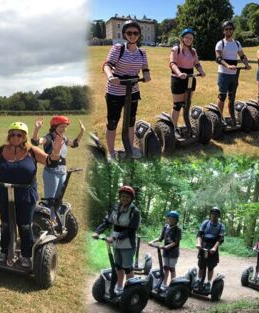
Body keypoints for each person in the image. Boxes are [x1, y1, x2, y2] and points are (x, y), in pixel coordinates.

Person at [0, 121, 53, 267]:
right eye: (12, 134)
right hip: (4, 193)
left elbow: (50, 161)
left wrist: (56, 151)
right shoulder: (2, 149)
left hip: (26, 194)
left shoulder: (32, 151)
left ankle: (26, 255)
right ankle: (4, 251)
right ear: (9, 136)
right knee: (6, 223)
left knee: (25, 226)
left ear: (24, 136)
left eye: (19, 135)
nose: (15, 137)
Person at [101, 20, 151, 159]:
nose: (132, 35)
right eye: (129, 33)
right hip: (115, 90)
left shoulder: (142, 52)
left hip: (133, 89)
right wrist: (110, 76)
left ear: (139, 35)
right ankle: (111, 153)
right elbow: (107, 65)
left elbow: (145, 68)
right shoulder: (118, 48)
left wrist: (146, 74)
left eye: (135, 33)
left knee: (130, 121)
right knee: (112, 122)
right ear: (124, 34)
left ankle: (129, 147)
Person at [92, 185, 141, 295]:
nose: (125, 198)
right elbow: (107, 222)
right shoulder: (115, 208)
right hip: (115, 240)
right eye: (123, 196)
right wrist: (98, 232)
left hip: (128, 242)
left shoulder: (135, 211)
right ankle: (119, 286)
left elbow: (131, 230)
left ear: (131, 198)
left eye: (127, 197)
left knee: (127, 267)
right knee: (118, 265)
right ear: (120, 197)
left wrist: (114, 237)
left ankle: (130, 290)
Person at [32, 115, 85, 205]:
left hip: (62, 173)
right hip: (51, 173)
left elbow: (75, 144)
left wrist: (82, 132)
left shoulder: (63, 138)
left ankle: (54, 218)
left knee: (58, 201)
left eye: (65, 127)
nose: (64, 129)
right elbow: (36, 141)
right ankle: (47, 218)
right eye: (61, 127)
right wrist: (37, 129)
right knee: (49, 201)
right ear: (54, 127)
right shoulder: (49, 138)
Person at [214, 20, 252, 125]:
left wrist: (246, 64)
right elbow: (218, 59)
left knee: (232, 96)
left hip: (234, 75)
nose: (228, 31)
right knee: (222, 96)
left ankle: (232, 117)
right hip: (223, 74)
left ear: (233, 30)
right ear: (223, 31)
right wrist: (228, 66)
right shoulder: (220, 43)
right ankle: (219, 118)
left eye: (230, 29)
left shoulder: (237, 43)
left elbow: (242, 56)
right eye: (226, 29)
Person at [169, 28, 207, 129]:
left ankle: (187, 124)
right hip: (178, 78)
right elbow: (172, 64)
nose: (188, 39)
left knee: (187, 104)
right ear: (182, 38)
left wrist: (201, 71)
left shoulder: (193, 51)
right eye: (186, 37)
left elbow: (197, 63)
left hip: (190, 78)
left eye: (191, 38)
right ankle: (173, 128)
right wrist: (179, 73)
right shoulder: (176, 49)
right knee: (177, 105)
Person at [148, 211, 181, 289]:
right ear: (167, 219)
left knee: (172, 268)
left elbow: (176, 242)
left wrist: (168, 246)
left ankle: (173, 284)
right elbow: (160, 238)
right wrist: (152, 241)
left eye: (173, 219)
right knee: (166, 267)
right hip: (166, 251)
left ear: (176, 220)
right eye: (169, 219)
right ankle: (164, 283)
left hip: (173, 251)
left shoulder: (177, 229)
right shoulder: (165, 227)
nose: (171, 220)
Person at [196, 207, 226, 292]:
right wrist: (198, 243)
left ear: (218, 216)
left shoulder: (221, 226)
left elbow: (220, 239)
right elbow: (199, 234)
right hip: (204, 244)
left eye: (216, 214)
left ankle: (208, 282)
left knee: (210, 266)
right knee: (201, 265)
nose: (214, 216)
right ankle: (198, 280)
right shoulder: (205, 223)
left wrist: (214, 248)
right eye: (213, 214)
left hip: (213, 246)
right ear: (210, 214)